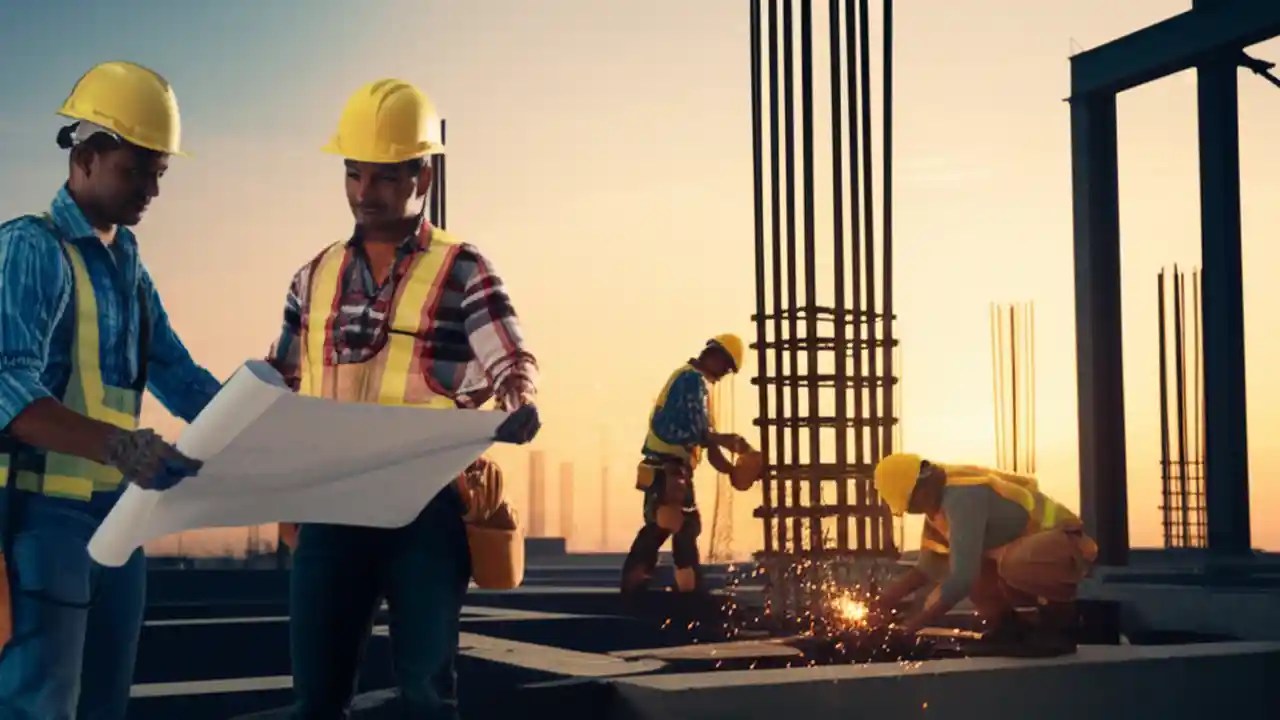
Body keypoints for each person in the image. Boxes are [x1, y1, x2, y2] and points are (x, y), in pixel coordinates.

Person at [265, 78, 540, 719]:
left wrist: (519, 398)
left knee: (424, 693)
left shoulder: (463, 268)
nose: (365, 193)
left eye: (385, 177)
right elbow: (279, 382)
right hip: (331, 508)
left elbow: (510, 357)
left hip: (427, 510)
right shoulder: (314, 275)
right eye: (353, 174)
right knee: (316, 700)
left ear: (424, 174)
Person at [0, 61, 219, 719]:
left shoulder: (128, 266)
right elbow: (6, 384)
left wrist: (264, 427)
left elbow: (180, 375)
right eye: (137, 170)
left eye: (160, 173)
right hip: (44, 524)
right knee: (44, 705)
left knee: (103, 706)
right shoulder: (30, 249)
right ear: (87, 156)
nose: (153, 188)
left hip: (121, 520)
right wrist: (117, 446)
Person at [867, 453, 1099, 656]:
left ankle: (1059, 625)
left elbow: (962, 578)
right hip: (1040, 550)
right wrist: (880, 604)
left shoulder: (963, 497)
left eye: (910, 506)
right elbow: (927, 568)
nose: (912, 512)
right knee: (980, 565)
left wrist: (910, 628)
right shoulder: (938, 508)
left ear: (920, 490)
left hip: (1065, 545)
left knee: (1011, 563)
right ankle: (1007, 628)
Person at [620, 334, 753, 595]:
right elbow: (701, 434)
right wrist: (730, 441)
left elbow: (708, 444)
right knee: (675, 525)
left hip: (670, 470)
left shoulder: (696, 385)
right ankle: (675, 589)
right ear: (714, 356)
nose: (725, 374)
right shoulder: (691, 380)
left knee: (671, 526)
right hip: (667, 470)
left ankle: (652, 584)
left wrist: (733, 471)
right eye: (725, 368)